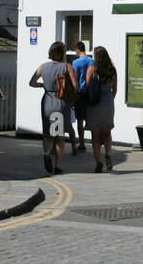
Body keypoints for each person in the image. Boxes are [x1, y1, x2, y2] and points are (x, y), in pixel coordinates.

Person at [29, 42, 78, 175]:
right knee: (59, 136)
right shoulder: (67, 67)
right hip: (60, 103)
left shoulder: (42, 67)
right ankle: (57, 166)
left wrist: (42, 86)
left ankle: (46, 153)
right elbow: (75, 86)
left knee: (48, 134)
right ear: (62, 53)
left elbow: (31, 82)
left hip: (46, 101)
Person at [85, 45, 118, 173]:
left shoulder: (92, 69)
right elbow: (114, 89)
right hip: (108, 102)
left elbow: (87, 86)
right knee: (107, 131)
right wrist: (110, 99)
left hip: (94, 103)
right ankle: (108, 154)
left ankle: (98, 162)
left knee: (95, 135)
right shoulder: (112, 70)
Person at [70, 41, 94, 155]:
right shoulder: (91, 61)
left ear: (78, 49)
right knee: (91, 117)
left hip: (80, 93)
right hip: (90, 92)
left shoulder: (75, 62)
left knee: (80, 119)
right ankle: (95, 141)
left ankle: (82, 143)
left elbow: (75, 77)